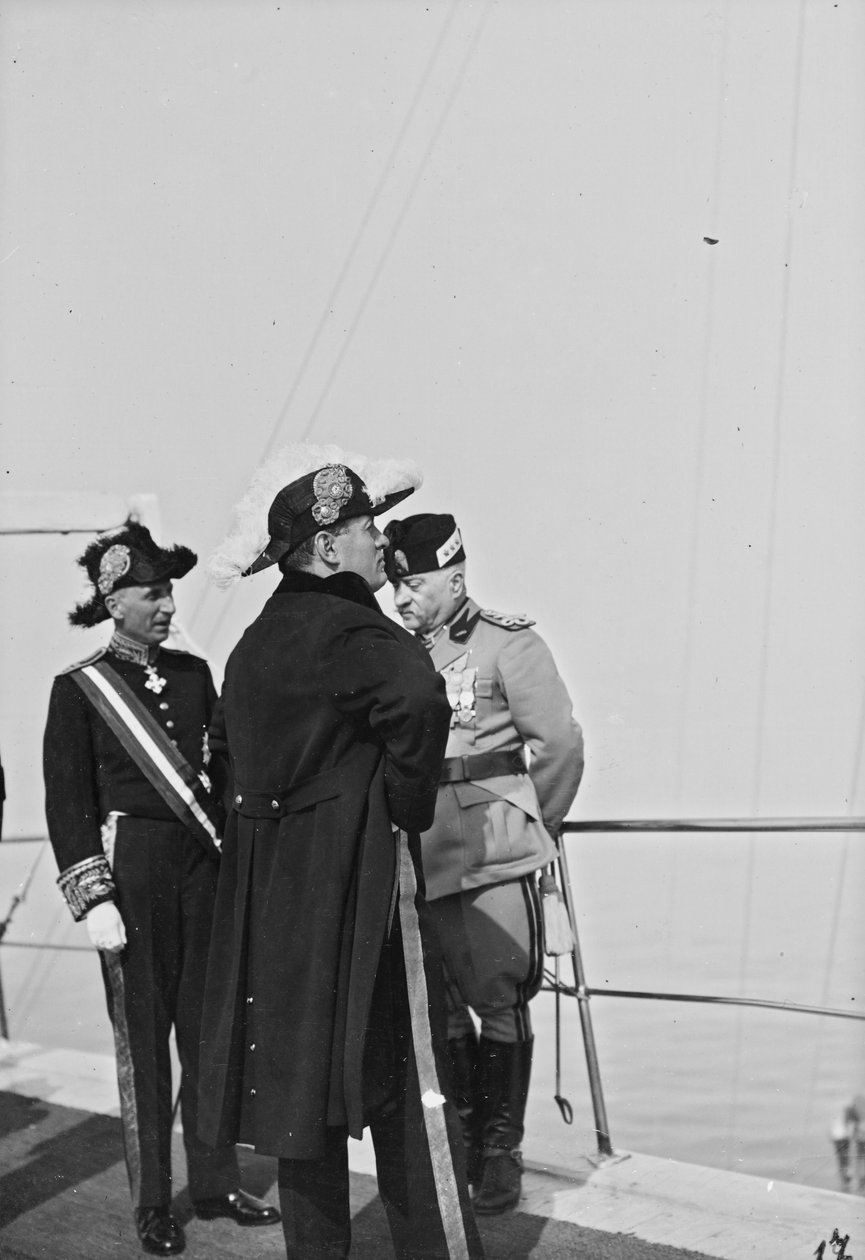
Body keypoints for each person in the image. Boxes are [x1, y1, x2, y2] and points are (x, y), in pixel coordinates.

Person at [198, 445, 485, 1260]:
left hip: (276, 910)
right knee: (405, 1097)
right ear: (327, 546)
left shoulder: (255, 640)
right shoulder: (353, 626)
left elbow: (224, 749)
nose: (376, 546)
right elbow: (418, 699)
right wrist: (400, 802)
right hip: (361, 908)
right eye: (365, 529)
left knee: (300, 1112)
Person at [42, 521, 280, 1257]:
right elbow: (67, 802)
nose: (168, 605)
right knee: (144, 1047)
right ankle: (152, 1200)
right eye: (152, 594)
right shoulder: (78, 690)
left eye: (170, 590)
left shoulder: (190, 674)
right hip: (133, 876)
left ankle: (213, 1183)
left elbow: (222, 772)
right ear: (116, 603)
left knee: (212, 1037)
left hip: (199, 872)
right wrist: (94, 898)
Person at [384, 513, 584, 1214]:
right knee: (438, 1009)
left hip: (490, 854)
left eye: (412, 584)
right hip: (415, 856)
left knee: (496, 999)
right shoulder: (397, 652)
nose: (401, 598)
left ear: (453, 576)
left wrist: (534, 826)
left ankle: (501, 1148)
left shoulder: (506, 643)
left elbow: (557, 745)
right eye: (394, 586)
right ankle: (464, 1140)